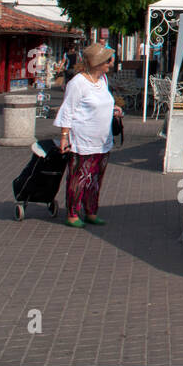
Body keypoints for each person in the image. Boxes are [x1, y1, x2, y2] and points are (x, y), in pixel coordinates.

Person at [54, 42, 122, 228]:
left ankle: (91, 210)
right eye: (108, 61)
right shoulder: (78, 83)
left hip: (102, 140)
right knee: (79, 177)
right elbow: (68, 110)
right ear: (97, 63)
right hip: (82, 139)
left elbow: (102, 103)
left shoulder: (102, 81)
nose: (111, 64)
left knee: (96, 179)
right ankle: (73, 213)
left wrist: (113, 109)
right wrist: (64, 136)